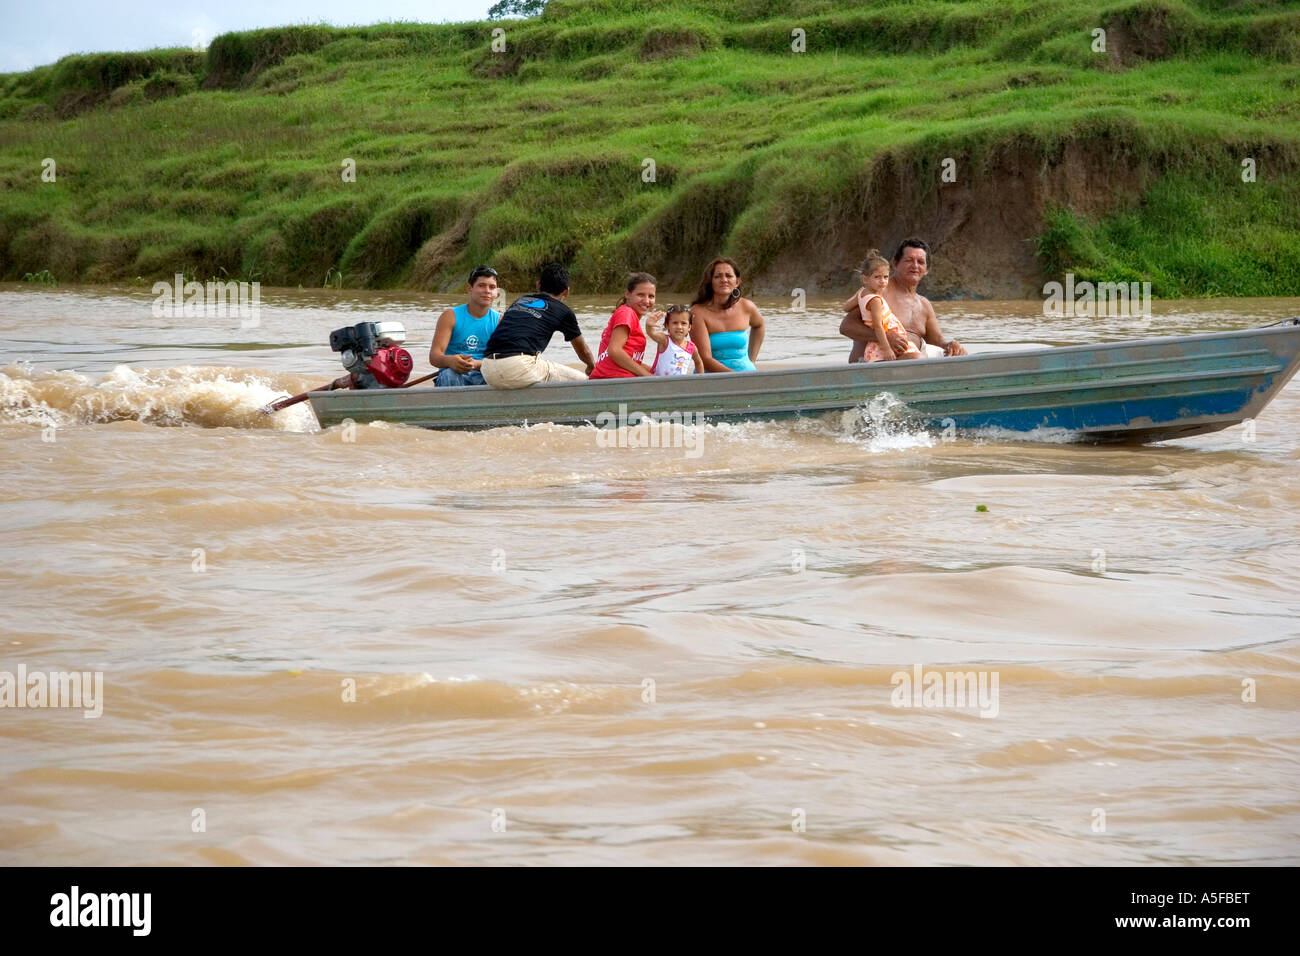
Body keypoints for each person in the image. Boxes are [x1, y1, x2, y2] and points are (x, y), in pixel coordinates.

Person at [839, 238, 967, 360]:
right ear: (895, 264)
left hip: (909, 364)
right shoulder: (879, 290)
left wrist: (951, 345)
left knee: (961, 356)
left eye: (921, 262)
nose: (915, 266)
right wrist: (885, 337)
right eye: (909, 260)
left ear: (927, 269)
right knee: (917, 359)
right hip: (872, 364)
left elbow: (937, 341)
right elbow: (846, 326)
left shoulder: (924, 304)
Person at [480, 261, 595, 388]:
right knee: (586, 382)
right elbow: (583, 350)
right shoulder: (564, 311)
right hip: (518, 367)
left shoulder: (520, 300)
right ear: (566, 291)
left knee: (538, 367)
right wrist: (592, 366)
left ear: (538, 285)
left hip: (487, 368)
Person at [688, 257, 765, 372]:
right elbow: (705, 359)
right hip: (713, 378)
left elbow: (759, 325)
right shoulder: (698, 312)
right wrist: (735, 377)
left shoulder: (746, 306)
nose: (724, 280)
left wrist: (751, 360)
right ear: (710, 282)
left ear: (737, 282)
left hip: (746, 374)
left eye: (728, 276)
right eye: (718, 276)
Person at [428, 265, 501, 386]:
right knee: (449, 375)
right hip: (452, 374)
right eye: (481, 285)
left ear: (496, 293)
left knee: (502, 378)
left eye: (492, 287)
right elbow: (434, 356)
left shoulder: (500, 321)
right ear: (469, 288)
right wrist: (450, 361)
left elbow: (502, 361)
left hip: (484, 373)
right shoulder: (450, 316)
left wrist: (477, 364)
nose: (487, 291)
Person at [851, 249, 920, 363]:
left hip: (878, 344)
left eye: (886, 277)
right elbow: (878, 326)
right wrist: (887, 349)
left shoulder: (861, 293)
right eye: (877, 277)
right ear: (865, 279)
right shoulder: (875, 300)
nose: (882, 281)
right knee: (918, 359)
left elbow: (846, 307)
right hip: (883, 344)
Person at [589, 272, 657, 379]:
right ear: (628, 294)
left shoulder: (627, 313)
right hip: (614, 382)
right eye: (641, 295)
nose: (647, 301)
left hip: (611, 379)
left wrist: (654, 371)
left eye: (651, 296)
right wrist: (648, 376)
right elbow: (615, 351)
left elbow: (630, 361)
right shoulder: (626, 313)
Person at [645, 305, 703, 375]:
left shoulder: (691, 348)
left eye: (683, 323)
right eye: (675, 323)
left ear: (689, 327)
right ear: (667, 325)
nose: (679, 327)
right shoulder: (665, 341)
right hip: (659, 384)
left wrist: (700, 381)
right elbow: (652, 333)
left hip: (679, 384)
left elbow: (698, 363)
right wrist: (648, 325)